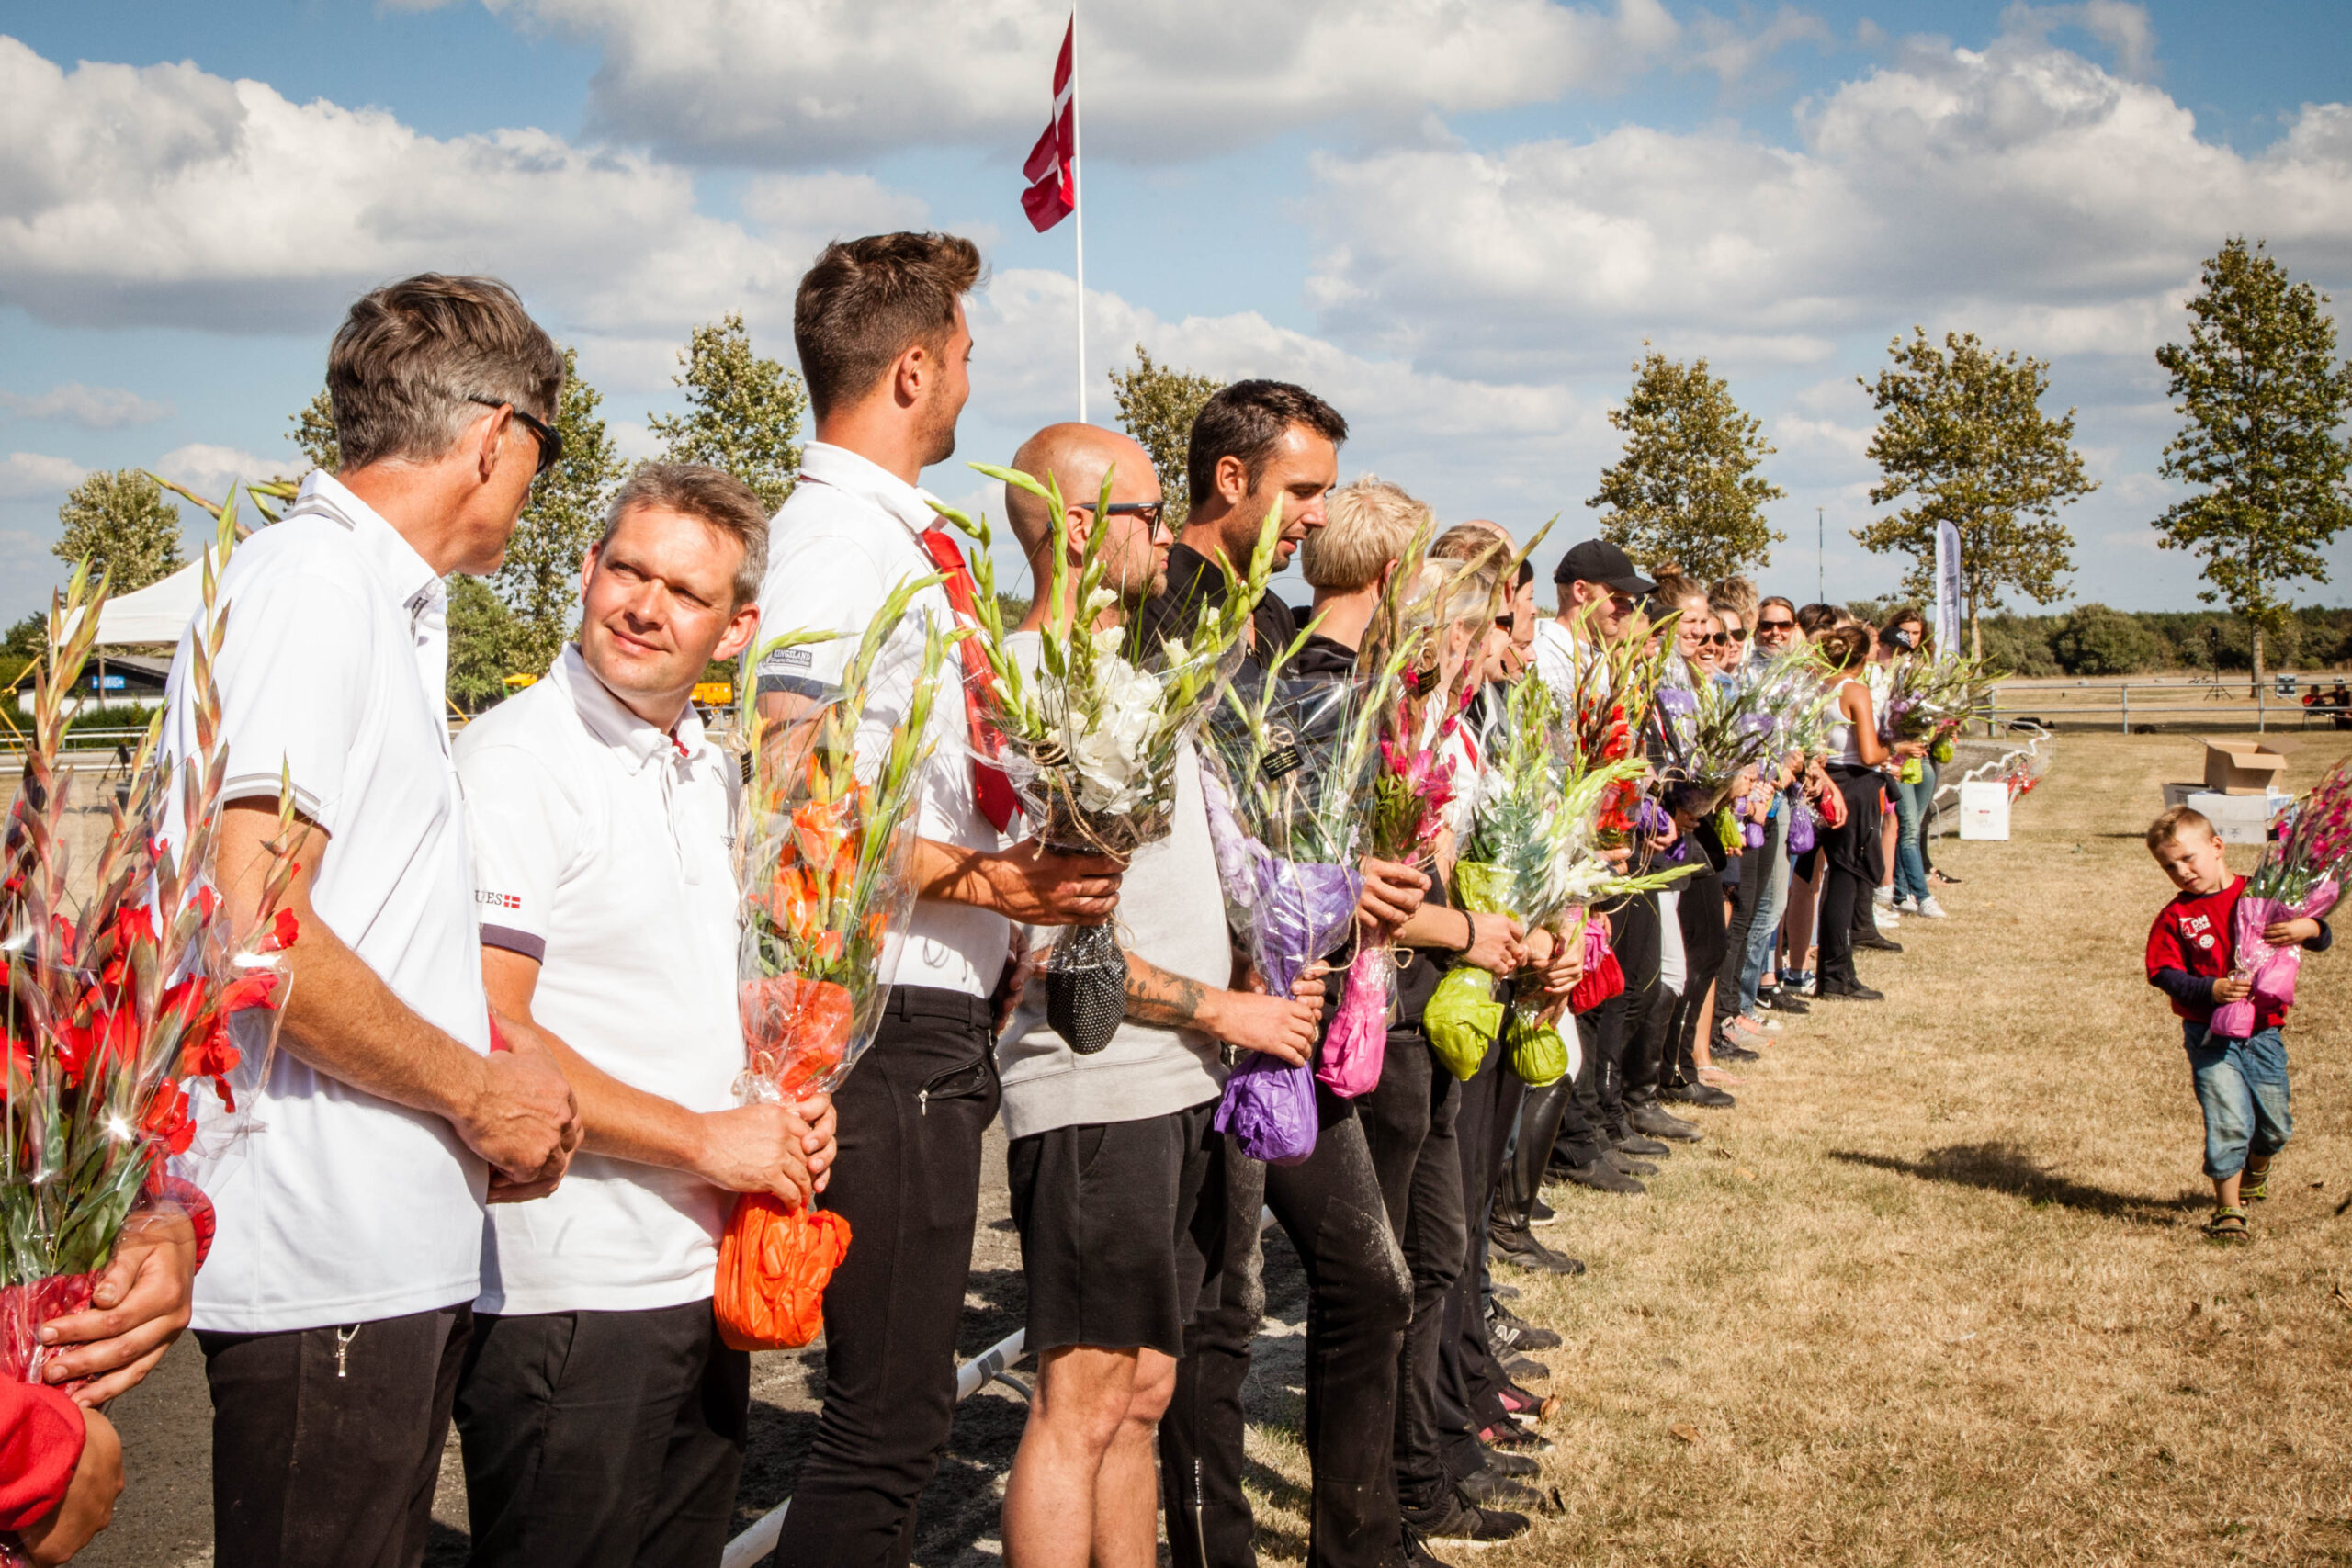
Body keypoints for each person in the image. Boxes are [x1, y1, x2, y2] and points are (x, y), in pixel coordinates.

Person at [165, 274, 584, 1568]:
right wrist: (474, 1087)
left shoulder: (374, 592)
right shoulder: (313, 581)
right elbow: (254, 924)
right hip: (320, 1248)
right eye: (546, 452)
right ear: (494, 435)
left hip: (381, 1246)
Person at [752, 233, 1125, 1568]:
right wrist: (994, 880)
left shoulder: (893, 534)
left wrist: (1014, 897)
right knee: (888, 1423)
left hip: (939, 995)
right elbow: (796, 793)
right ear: (914, 369)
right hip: (883, 1012)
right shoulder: (836, 543)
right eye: (964, 355)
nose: (971, 381)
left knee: (897, 1414)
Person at [451, 466, 838, 1567]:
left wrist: (789, 1109)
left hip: (692, 1274)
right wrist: (708, 1141)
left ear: (735, 629)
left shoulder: (703, 777)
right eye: (626, 568)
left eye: (684, 591)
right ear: (586, 569)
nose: (643, 605)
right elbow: (490, 1022)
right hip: (567, 1286)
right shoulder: (521, 760)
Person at [991, 424, 1320, 1568]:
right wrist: (1228, 1012)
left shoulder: (1131, 679)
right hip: (1094, 1093)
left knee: (1142, 1398)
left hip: (1177, 1086)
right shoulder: (1024, 691)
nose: (1165, 543)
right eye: (1143, 515)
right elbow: (1053, 943)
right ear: (1081, 530)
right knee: (1077, 1408)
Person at [1148, 385, 1432, 1568]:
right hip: (1195, 1016)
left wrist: (1344, 882)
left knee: (1366, 1282)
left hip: (1290, 1003)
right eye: (1305, 490)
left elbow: (1287, 814)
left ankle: (1357, 1545)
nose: (1320, 518)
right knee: (1215, 1314)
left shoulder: (1264, 623)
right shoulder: (1158, 618)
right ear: (1234, 481)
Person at [2143, 806, 2332, 1241]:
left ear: (2217, 847)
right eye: (2169, 866)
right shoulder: (2176, 918)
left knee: (2274, 1125)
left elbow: (2320, 936)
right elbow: (2162, 973)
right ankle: (2228, 1210)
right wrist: (2209, 990)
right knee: (2227, 1117)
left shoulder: (2263, 893)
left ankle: (2257, 1168)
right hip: (2209, 1035)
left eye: (2188, 858)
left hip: (2264, 1032)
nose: (2181, 871)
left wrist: (2308, 926)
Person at [1814, 626, 1921, 1001]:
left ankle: (1835, 971)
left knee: (1829, 881)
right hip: (1855, 784)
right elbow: (1870, 753)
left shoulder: (1819, 687)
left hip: (1827, 782)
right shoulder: (1854, 691)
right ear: (1861, 659)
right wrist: (1899, 745)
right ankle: (1836, 975)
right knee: (1845, 879)